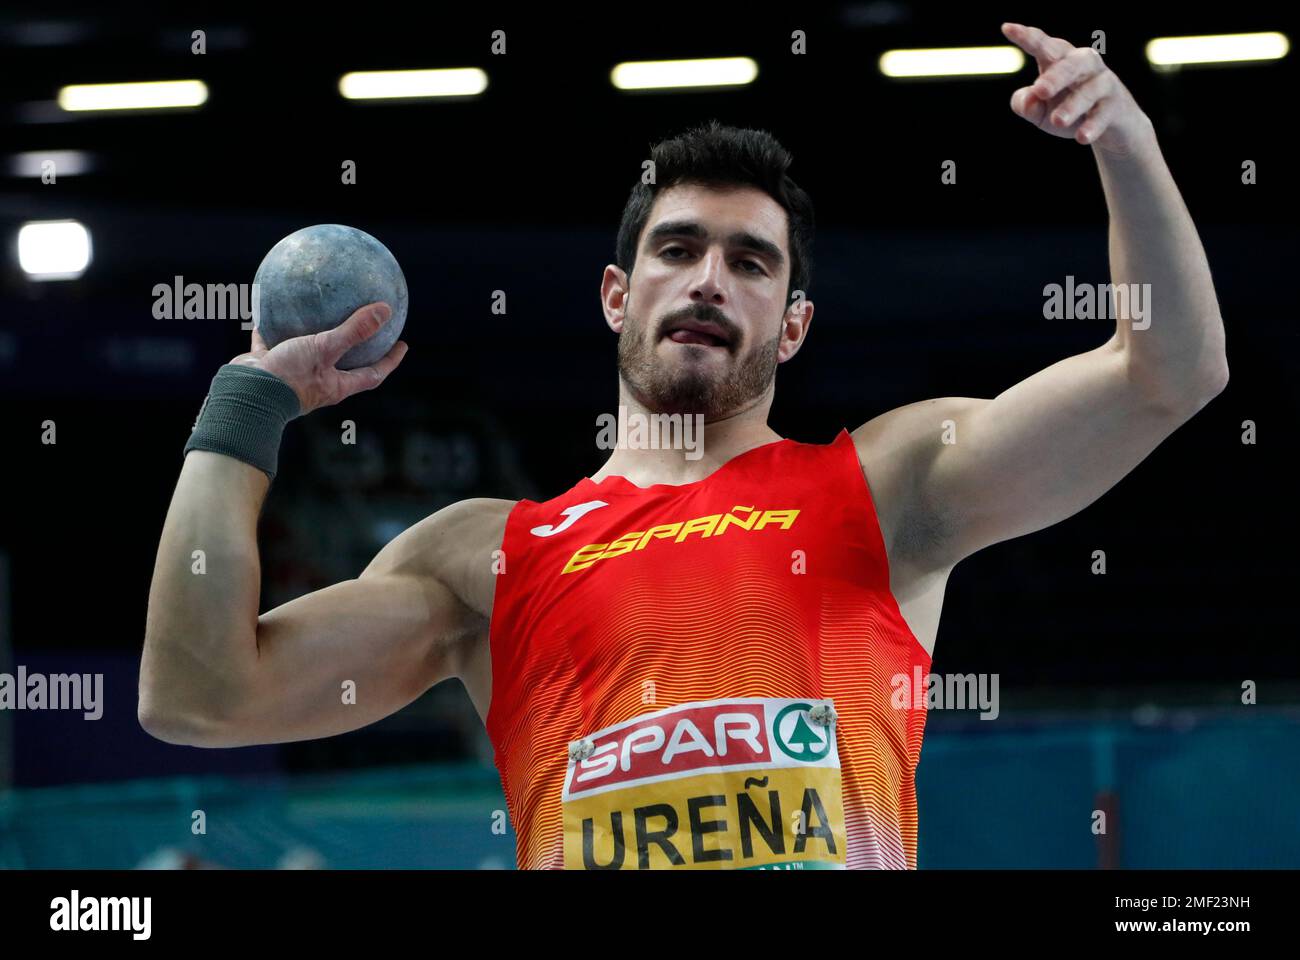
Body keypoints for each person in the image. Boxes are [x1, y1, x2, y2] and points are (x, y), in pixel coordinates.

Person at [140, 23, 1228, 869]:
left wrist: (1123, 141)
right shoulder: (480, 558)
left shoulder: (888, 486)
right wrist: (245, 405)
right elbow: (197, 696)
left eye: (751, 263)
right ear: (618, 295)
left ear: (791, 325)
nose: (710, 276)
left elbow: (1169, 372)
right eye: (678, 249)